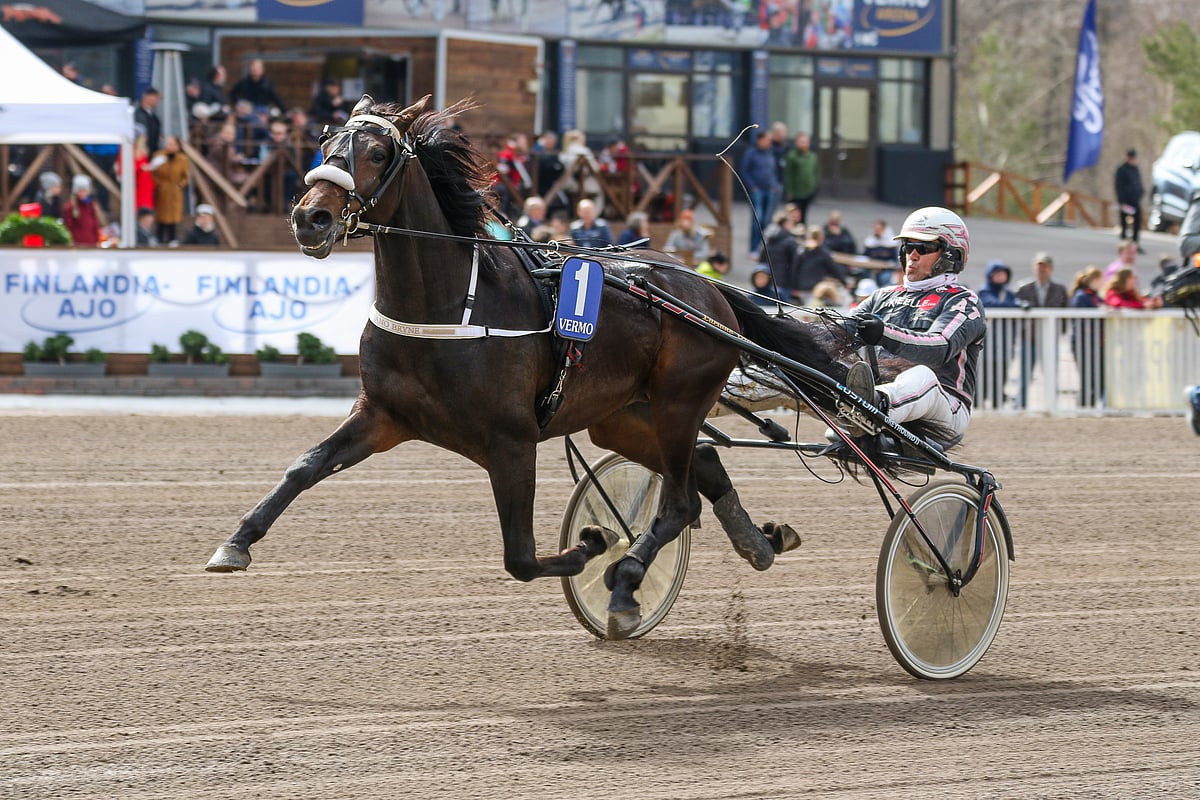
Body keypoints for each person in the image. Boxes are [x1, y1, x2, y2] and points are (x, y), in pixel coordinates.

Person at [842, 206, 986, 445]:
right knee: (835, 364)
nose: (913, 255)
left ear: (950, 254)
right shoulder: (881, 297)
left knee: (922, 375)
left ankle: (869, 410)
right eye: (908, 246)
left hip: (943, 412)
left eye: (924, 247)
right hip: (887, 398)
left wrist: (884, 333)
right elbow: (834, 334)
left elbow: (939, 347)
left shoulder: (964, 300)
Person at [1013, 251, 1068, 408]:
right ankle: (1021, 405)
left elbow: (1065, 314)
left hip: (1050, 339)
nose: (1042, 269)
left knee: (1051, 374)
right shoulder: (1023, 288)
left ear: (1051, 268)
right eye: (1039, 266)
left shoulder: (1059, 289)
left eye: (1045, 266)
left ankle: (1052, 405)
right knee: (1025, 375)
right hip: (1029, 338)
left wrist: (1059, 333)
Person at [975, 261, 1021, 411]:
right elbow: (991, 304)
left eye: (1003, 274)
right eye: (998, 273)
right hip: (986, 342)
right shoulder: (984, 291)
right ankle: (978, 403)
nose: (1001, 277)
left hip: (1005, 342)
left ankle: (997, 402)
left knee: (1002, 371)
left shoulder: (1009, 293)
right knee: (983, 372)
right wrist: (1016, 306)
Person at [1069, 266, 1106, 408]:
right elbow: (1081, 322)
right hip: (1083, 343)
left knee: (1096, 377)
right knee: (1087, 378)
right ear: (1095, 279)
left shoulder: (1094, 296)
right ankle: (1083, 407)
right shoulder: (1082, 296)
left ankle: (1090, 406)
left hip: (1095, 343)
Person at [739, 130, 779, 259]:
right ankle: (753, 249)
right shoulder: (751, 153)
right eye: (767, 140)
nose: (769, 143)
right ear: (759, 140)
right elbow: (744, 171)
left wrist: (774, 185)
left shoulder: (770, 153)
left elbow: (773, 171)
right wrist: (753, 187)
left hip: (769, 189)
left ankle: (764, 249)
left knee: (767, 220)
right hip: (758, 190)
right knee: (757, 220)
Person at [791, 226, 848, 303]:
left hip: (801, 288)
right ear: (821, 238)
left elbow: (794, 270)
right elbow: (834, 269)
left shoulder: (801, 250)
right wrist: (844, 282)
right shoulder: (823, 253)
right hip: (816, 289)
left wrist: (794, 287)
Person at [150, 136, 190, 244]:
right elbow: (152, 172)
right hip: (162, 191)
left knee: (173, 217)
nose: (170, 147)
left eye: (173, 144)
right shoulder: (159, 156)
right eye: (169, 144)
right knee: (161, 216)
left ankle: (172, 240)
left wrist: (179, 185)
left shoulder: (182, 159)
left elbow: (185, 176)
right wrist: (159, 184)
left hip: (175, 191)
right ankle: (158, 239)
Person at [783, 132, 819, 225]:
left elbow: (816, 172)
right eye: (801, 142)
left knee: (804, 215)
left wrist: (814, 185)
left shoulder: (812, 156)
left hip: (808, 191)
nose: (804, 144)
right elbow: (788, 174)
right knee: (795, 215)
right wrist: (790, 191)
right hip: (796, 192)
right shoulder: (792, 156)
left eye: (805, 142)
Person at [1114, 148, 1145, 252]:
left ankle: (1135, 243)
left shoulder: (1135, 169)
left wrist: (1141, 192)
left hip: (1135, 200)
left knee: (1137, 223)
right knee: (1124, 223)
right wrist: (1121, 201)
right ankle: (1123, 244)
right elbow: (1119, 186)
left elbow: (1138, 183)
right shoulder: (1122, 169)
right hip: (1125, 200)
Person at [63, 174, 102, 245]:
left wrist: (97, 239)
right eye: (80, 191)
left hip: (91, 242)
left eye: (84, 191)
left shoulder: (91, 204)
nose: (82, 193)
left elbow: (95, 223)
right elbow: (68, 226)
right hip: (78, 243)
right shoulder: (71, 206)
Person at [134, 88, 162, 154]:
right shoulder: (137, 115)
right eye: (156, 98)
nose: (158, 101)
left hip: (152, 152)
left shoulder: (153, 115)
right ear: (148, 97)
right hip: (141, 153)